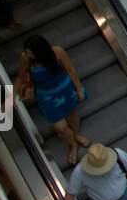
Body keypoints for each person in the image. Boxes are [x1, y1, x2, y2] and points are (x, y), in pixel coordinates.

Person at [16, 35, 86, 166]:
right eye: (27, 52)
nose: (29, 55)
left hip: (64, 88)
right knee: (60, 127)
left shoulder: (57, 52)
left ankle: (75, 135)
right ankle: (72, 144)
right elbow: (20, 76)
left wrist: (79, 89)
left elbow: (70, 70)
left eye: (31, 52)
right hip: (46, 95)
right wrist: (12, 96)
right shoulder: (26, 59)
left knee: (72, 113)